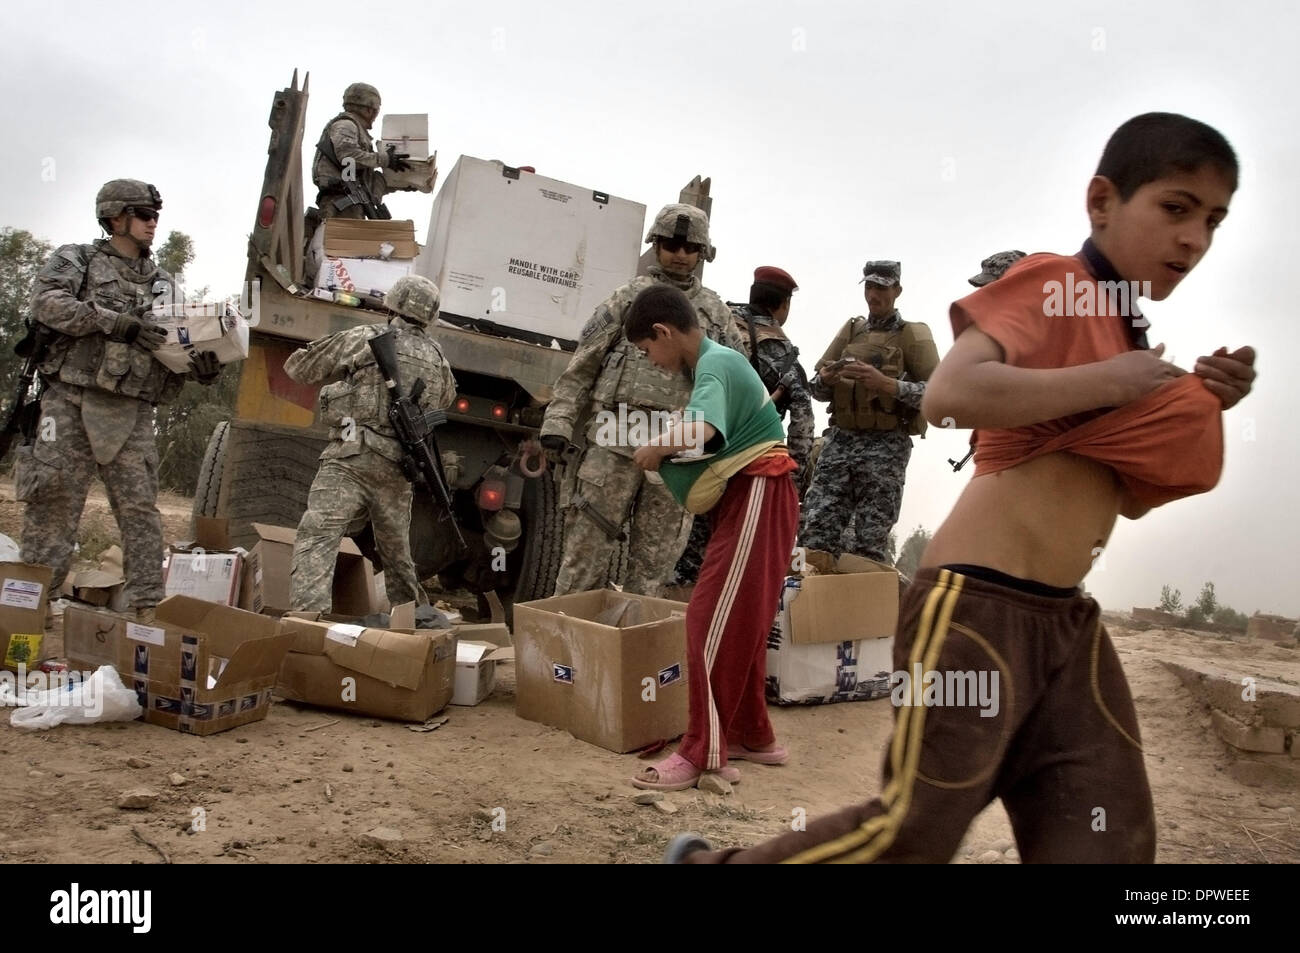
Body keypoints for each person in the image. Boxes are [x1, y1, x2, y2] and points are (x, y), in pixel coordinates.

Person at [675, 111, 1255, 863]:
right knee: (912, 832)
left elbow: (1127, 493)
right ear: (1102, 202)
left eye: (1213, 220)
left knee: (1108, 844)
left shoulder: (1129, 334)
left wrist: (1194, 407)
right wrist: (1112, 382)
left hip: (1064, 623)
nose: (1194, 239)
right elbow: (951, 394)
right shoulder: (1058, 283)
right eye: (1176, 208)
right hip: (976, 604)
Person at [16, 179, 221, 623]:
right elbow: (47, 303)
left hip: (130, 411)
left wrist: (201, 368)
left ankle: (148, 613)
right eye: (144, 216)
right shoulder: (79, 260)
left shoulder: (165, 283)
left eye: (155, 217)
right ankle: (29, 613)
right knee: (53, 506)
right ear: (115, 218)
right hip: (69, 400)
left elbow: (177, 342)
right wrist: (118, 324)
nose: (152, 224)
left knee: (141, 514)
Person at [624, 285, 798, 790]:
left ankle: (701, 752)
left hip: (760, 489)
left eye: (647, 350)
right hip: (758, 493)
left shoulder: (714, 364)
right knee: (739, 620)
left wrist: (653, 448)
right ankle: (749, 733)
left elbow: (699, 429)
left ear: (663, 332)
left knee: (706, 619)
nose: (652, 362)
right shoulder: (718, 363)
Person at [540, 204, 746, 598]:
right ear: (656, 245)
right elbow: (583, 364)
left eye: (690, 247)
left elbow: (730, 386)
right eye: (671, 244)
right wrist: (558, 421)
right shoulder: (627, 299)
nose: (680, 254)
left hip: (678, 451)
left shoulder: (716, 315)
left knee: (652, 571)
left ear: (703, 252)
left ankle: (630, 653)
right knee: (583, 558)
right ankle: (562, 646)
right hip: (614, 441)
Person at [285, 275, 456, 612]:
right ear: (429, 315)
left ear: (393, 304)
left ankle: (308, 620)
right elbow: (446, 399)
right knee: (396, 556)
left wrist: (349, 383)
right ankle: (415, 623)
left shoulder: (366, 337)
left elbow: (298, 368)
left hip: (351, 457)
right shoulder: (439, 359)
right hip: (397, 469)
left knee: (318, 537)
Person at [669, 265, 812, 588]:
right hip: (748, 469)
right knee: (729, 558)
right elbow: (802, 425)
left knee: (680, 555)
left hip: (689, 456)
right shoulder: (786, 356)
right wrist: (792, 478)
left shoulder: (711, 328)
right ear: (783, 306)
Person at [799, 260, 939, 563]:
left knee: (869, 544)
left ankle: (860, 605)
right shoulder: (852, 331)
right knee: (815, 534)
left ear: (897, 290)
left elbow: (938, 395)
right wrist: (825, 380)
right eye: (870, 287)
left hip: (886, 448)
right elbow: (816, 388)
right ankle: (805, 605)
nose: (874, 295)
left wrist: (888, 385)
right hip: (840, 443)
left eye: (882, 288)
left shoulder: (912, 335)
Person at [311, 82, 410, 221]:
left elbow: (367, 182)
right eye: (375, 110)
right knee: (343, 242)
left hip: (352, 203)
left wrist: (405, 184)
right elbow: (348, 157)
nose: (375, 115)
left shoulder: (357, 131)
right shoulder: (346, 125)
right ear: (369, 110)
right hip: (340, 201)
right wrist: (384, 159)